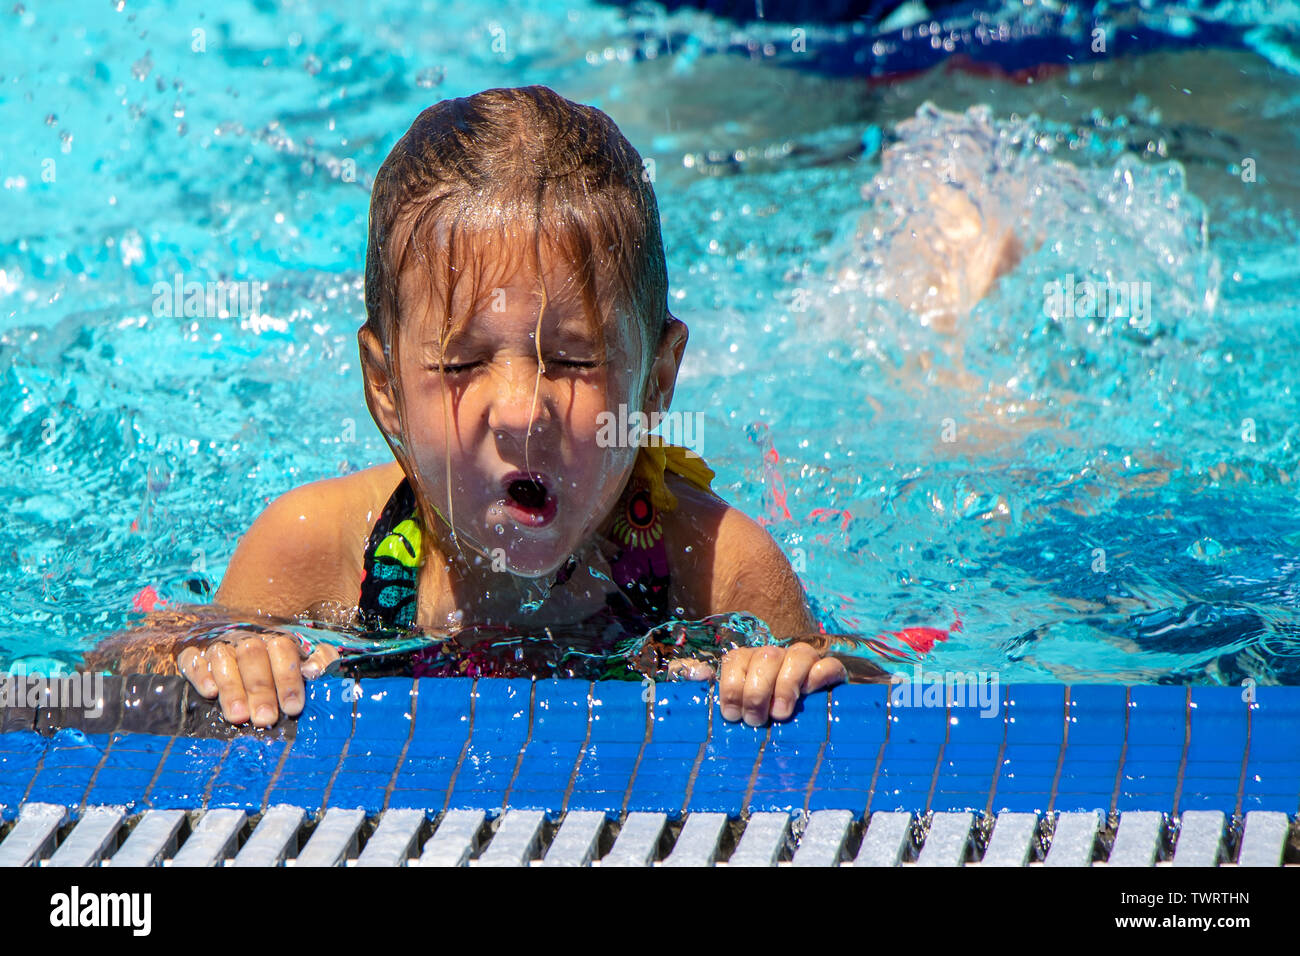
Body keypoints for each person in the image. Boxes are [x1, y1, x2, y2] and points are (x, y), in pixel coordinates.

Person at [99, 86, 884, 729]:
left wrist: (797, 676)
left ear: (655, 384)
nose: (519, 411)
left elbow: (873, 701)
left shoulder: (716, 569)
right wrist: (216, 661)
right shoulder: (317, 552)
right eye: (464, 361)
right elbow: (109, 675)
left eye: (573, 360)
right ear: (386, 389)